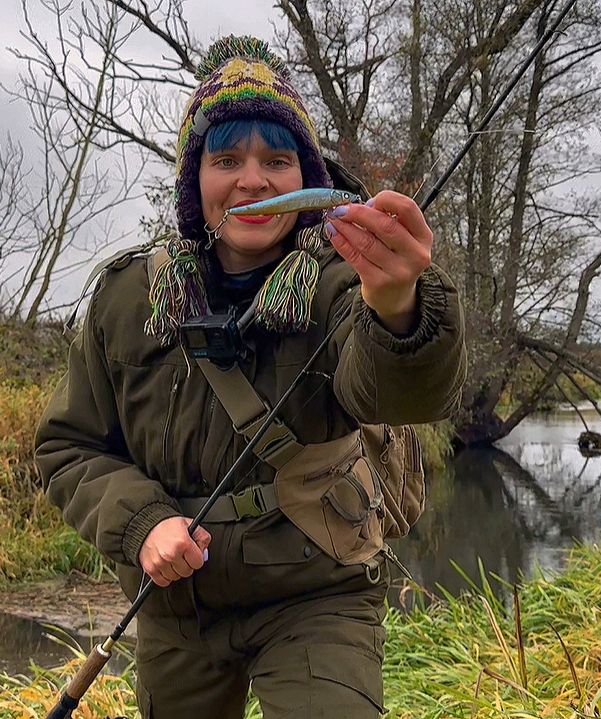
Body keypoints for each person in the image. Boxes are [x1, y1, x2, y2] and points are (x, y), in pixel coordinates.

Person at [34, 35, 465, 718]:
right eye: (226, 158)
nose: (253, 180)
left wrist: (395, 301)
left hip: (317, 592)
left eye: (277, 159)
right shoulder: (126, 299)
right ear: (192, 179)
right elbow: (68, 448)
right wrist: (143, 523)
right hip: (177, 607)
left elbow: (405, 394)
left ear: (306, 176)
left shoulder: (336, 287)